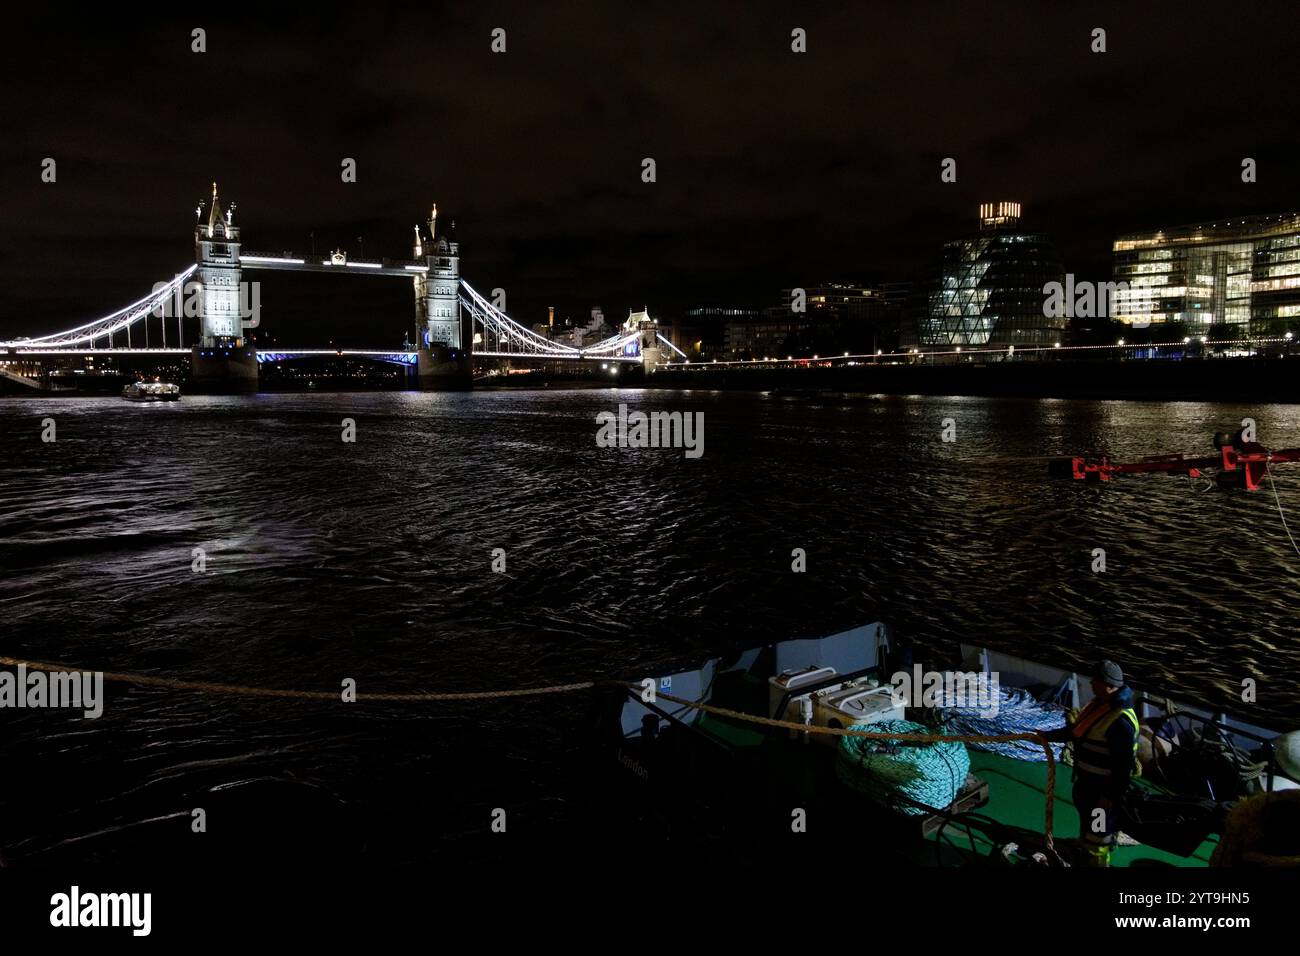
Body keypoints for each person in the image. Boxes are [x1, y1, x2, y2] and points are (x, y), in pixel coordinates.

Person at [1044, 660, 1140, 866]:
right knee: (1089, 828)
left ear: (1108, 684)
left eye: (1094, 680)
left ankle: (1097, 862)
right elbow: (1075, 733)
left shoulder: (1120, 721)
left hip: (1102, 794)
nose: (1090, 684)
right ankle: (1086, 854)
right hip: (1088, 786)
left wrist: (1108, 798)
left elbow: (1122, 768)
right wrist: (1045, 736)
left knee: (1098, 834)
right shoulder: (1101, 706)